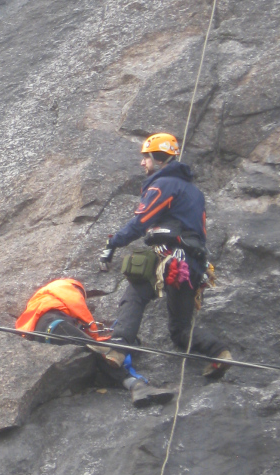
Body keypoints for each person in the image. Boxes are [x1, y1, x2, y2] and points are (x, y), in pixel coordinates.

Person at [99, 132, 232, 377]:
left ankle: (118, 348)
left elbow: (141, 222)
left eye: (146, 158)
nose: (142, 163)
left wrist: (113, 242)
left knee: (136, 293)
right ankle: (219, 352)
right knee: (180, 331)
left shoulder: (163, 185)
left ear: (159, 159)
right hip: (192, 264)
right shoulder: (195, 193)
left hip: (168, 257)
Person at [16, 277, 176, 407]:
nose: (82, 298)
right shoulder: (63, 287)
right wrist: (98, 337)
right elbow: (78, 307)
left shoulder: (38, 303)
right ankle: (136, 384)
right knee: (99, 350)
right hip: (55, 325)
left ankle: (134, 384)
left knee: (93, 354)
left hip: (42, 335)